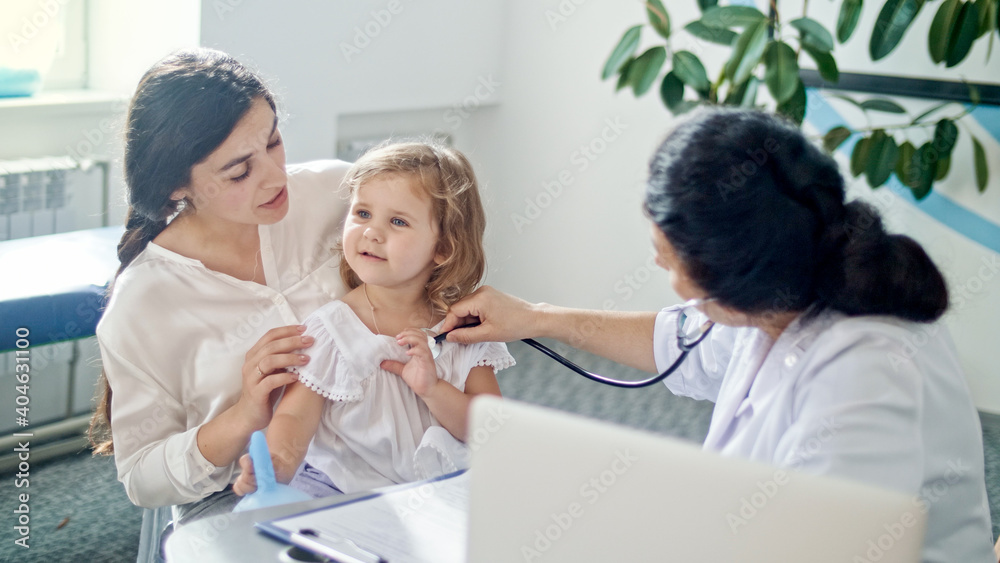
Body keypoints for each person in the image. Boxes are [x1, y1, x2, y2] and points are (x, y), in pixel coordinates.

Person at [440, 108, 995, 562]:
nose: (660, 267)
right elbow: (677, 344)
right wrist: (535, 318)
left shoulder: (868, 370)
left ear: (737, 279)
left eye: (670, 262)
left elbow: (827, 547)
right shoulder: (783, 288)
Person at [89, 48, 352, 523]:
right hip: (240, 492)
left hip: (378, 451)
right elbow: (142, 478)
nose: (275, 177)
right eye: (239, 171)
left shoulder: (337, 193)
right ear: (176, 187)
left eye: (273, 143)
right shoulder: (143, 304)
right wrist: (243, 414)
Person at [232, 142, 512, 498]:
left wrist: (433, 389)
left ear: (444, 247)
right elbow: (293, 419)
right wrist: (276, 465)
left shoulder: (461, 332)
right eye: (362, 213)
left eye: (398, 221)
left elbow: (488, 428)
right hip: (343, 495)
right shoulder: (331, 330)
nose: (372, 232)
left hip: (438, 494)